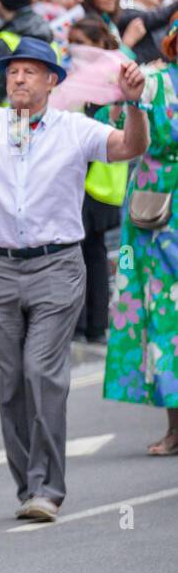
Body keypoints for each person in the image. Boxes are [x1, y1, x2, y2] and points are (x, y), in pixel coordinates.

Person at [0, 38, 148, 520]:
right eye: (13, 71)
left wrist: (134, 105)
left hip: (57, 265)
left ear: (52, 81)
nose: (18, 79)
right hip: (1, 266)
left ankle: (47, 488)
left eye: (31, 72)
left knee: (41, 372)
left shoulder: (76, 128)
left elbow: (129, 146)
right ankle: (27, 486)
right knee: (9, 383)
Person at [103, 25, 178, 454]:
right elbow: (109, 125)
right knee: (161, 316)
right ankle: (175, 426)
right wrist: (128, 98)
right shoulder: (153, 81)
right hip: (156, 215)